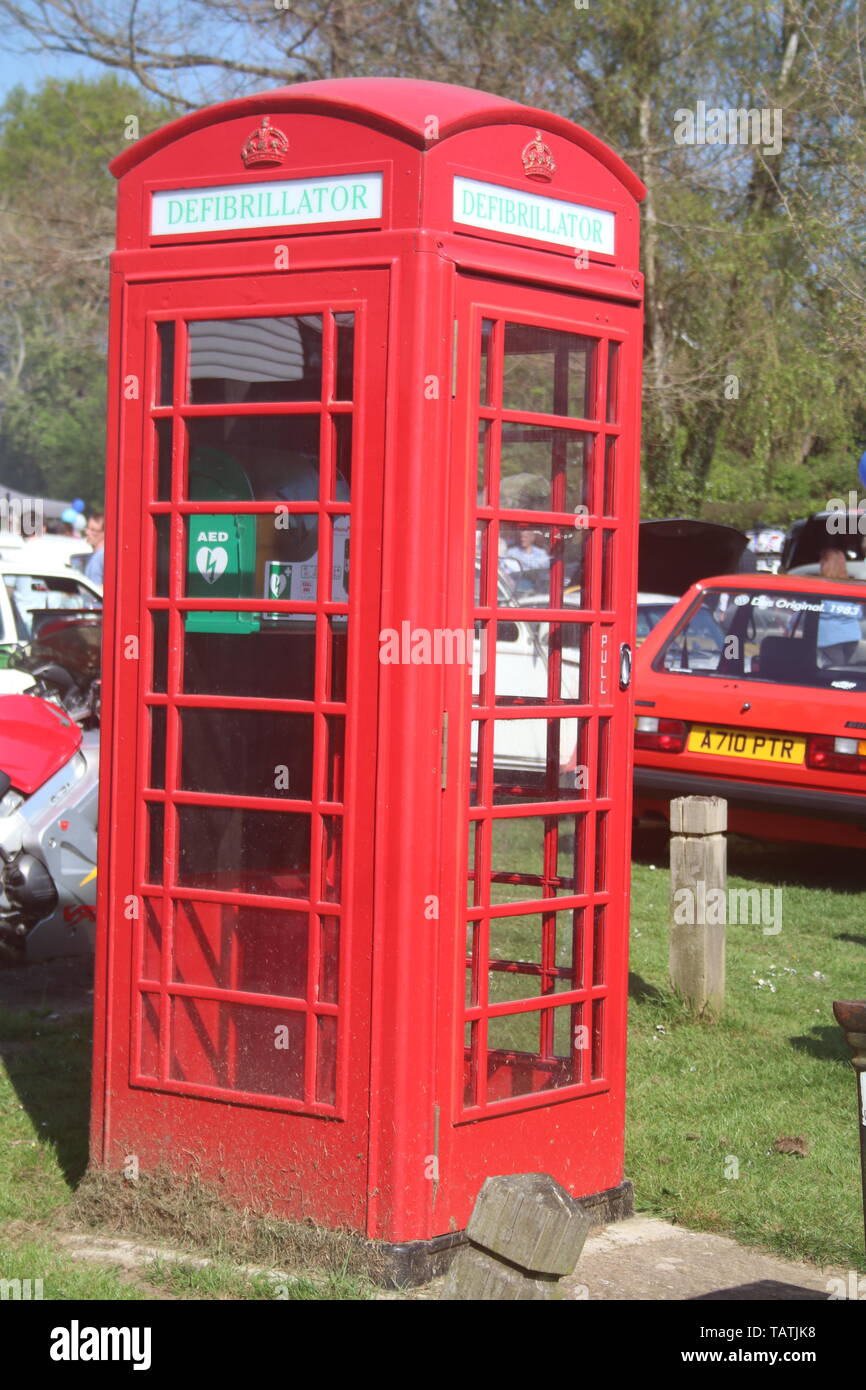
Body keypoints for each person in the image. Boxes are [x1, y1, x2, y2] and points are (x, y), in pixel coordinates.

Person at [817, 546, 861, 665]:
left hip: (829, 637)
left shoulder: (819, 588)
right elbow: (859, 613)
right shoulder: (852, 586)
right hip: (852, 636)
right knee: (840, 668)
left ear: (825, 564)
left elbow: (809, 610)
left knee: (834, 672)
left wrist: (790, 624)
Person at [84, 511, 105, 585]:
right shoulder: (96, 555)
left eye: (93, 530)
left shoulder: (103, 556)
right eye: (87, 528)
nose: (87, 532)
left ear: (104, 533)